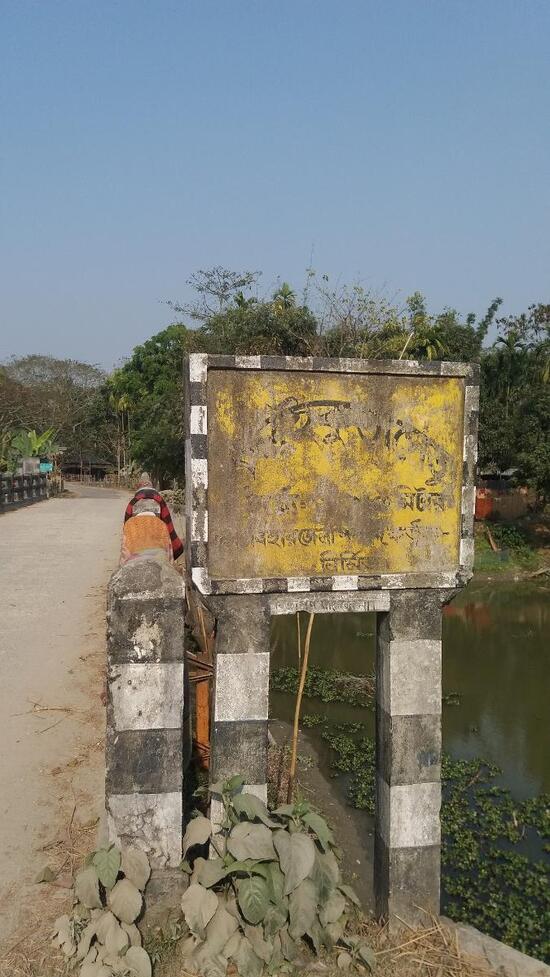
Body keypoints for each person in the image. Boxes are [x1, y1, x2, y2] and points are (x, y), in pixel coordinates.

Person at [120, 472, 184, 565]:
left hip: (136, 543)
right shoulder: (160, 500)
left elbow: (127, 525)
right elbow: (168, 523)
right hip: (158, 540)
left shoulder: (133, 501)